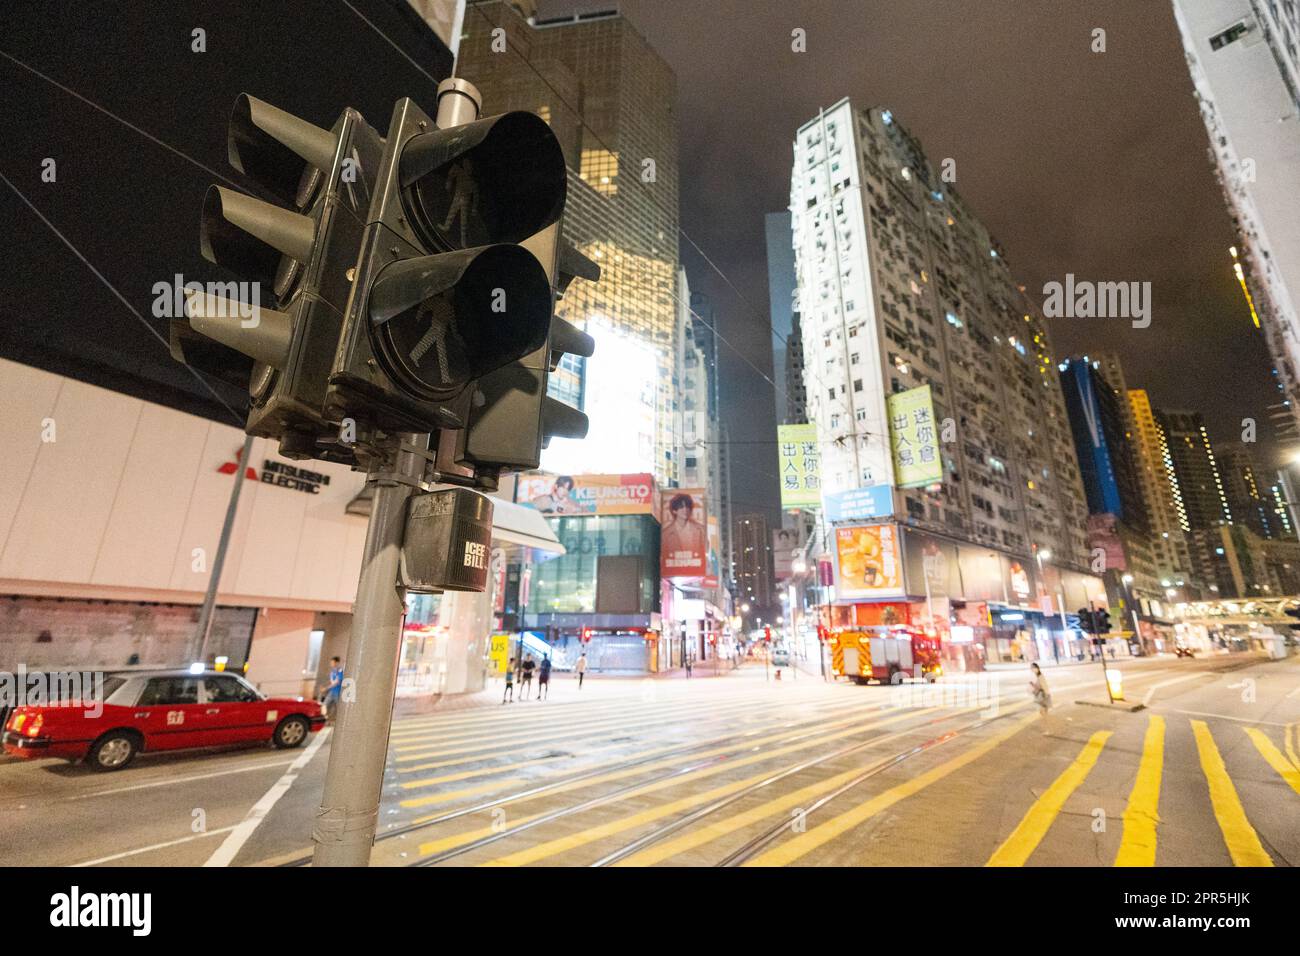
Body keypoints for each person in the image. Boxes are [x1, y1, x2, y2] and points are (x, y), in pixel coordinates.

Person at [661, 493, 707, 570]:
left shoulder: (700, 530)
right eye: (681, 507)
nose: (685, 509)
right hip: (673, 571)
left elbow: (705, 551)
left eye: (687, 506)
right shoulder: (666, 533)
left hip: (696, 569)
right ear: (674, 511)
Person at [1029, 662, 1052, 734]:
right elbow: (1040, 686)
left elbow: (1043, 687)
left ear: (1038, 668)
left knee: (1043, 713)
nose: (1033, 669)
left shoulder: (1040, 677)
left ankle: (1048, 730)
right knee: (1044, 714)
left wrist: (1034, 687)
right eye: (1032, 668)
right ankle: (1048, 730)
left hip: (1043, 696)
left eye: (1034, 668)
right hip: (1043, 696)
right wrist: (1033, 685)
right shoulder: (1039, 676)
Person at [324, 656, 343, 721]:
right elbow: (332, 682)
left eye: (332, 662)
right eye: (331, 662)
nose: (331, 664)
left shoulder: (340, 671)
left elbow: (337, 682)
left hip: (338, 692)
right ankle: (326, 719)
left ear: (337, 662)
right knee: (325, 705)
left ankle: (336, 721)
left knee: (338, 707)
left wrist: (326, 688)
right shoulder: (332, 671)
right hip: (332, 691)